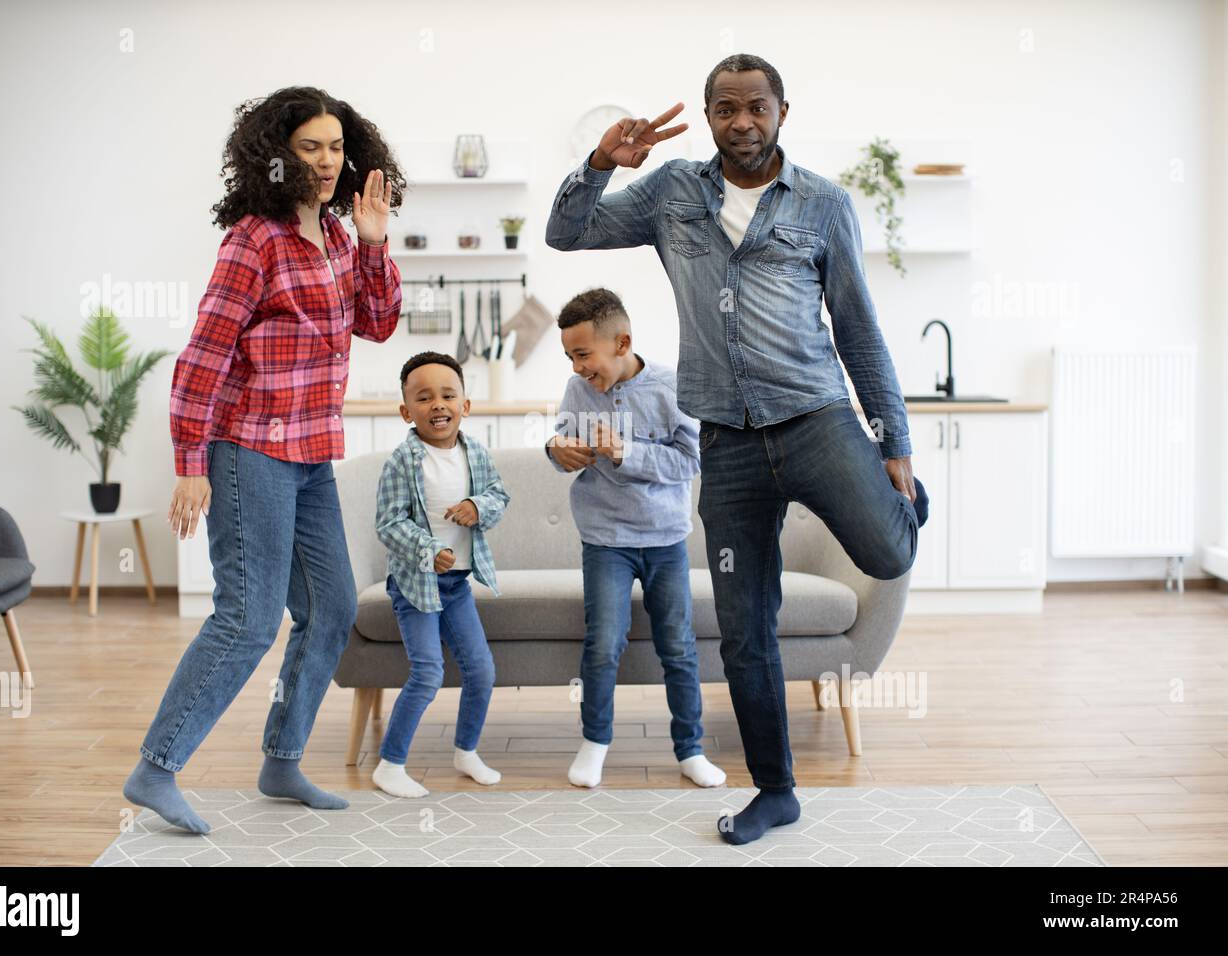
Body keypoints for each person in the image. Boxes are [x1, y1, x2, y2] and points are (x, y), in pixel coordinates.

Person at [545, 54, 929, 845]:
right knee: (747, 629)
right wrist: (598, 164)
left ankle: (908, 510)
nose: (741, 121)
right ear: (711, 115)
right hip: (725, 441)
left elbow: (857, 327)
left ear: (783, 111)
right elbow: (565, 232)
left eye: (757, 107)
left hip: (816, 418)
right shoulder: (670, 193)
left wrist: (893, 439)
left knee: (891, 554)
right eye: (726, 108)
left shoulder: (823, 205)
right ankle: (776, 791)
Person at [123, 86, 403, 834]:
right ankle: (156, 768)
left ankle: (283, 758)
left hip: (312, 452)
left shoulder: (341, 239)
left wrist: (374, 241)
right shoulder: (255, 238)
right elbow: (203, 357)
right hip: (247, 450)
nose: (325, 161)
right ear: (276, 155)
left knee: (334, 608)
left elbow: (377, 325)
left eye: (336, 147)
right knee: (249, 618)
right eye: (309, 146)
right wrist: (190, 463)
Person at [544, 288, 725, 790]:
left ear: (621, 343)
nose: (578, 367)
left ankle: (690, 749)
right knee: (602, 643)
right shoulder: (578, 391)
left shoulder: (672, 388)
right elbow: (558, 442)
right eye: (570, 357)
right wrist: (558, 449)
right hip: (605, 540)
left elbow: (690, 462)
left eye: (584, 355)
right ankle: (595, 741)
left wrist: (627, 453)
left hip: (665, 539)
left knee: (679, 647)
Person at [371, 352, 510, 798]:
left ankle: (465, 751)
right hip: (416, 585)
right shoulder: (403, 461)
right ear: (405, 411)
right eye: (424, 397)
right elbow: (389, 523)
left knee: (482, 671)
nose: (438, 404)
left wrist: (477, 507)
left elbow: (498, 496)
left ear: (465, 405)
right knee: (428, 672)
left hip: (458, 585)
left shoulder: (476, 453)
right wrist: (429, 551)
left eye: (448, 395)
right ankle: (390, 764)